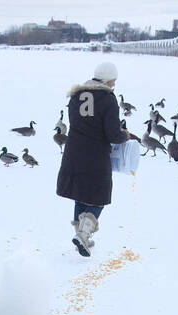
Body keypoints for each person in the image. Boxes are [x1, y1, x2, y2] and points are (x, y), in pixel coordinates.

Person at [56, 61, 127, 257]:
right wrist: (125, 136)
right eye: (113, 81)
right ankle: (83, 235)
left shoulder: (76, 95)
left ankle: (82, 236)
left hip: (73, 152)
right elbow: (113, 134)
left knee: (81, 193)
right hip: (95, 155)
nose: (113, 85)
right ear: (107, 79)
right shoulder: (108, 99)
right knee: (98, 196)